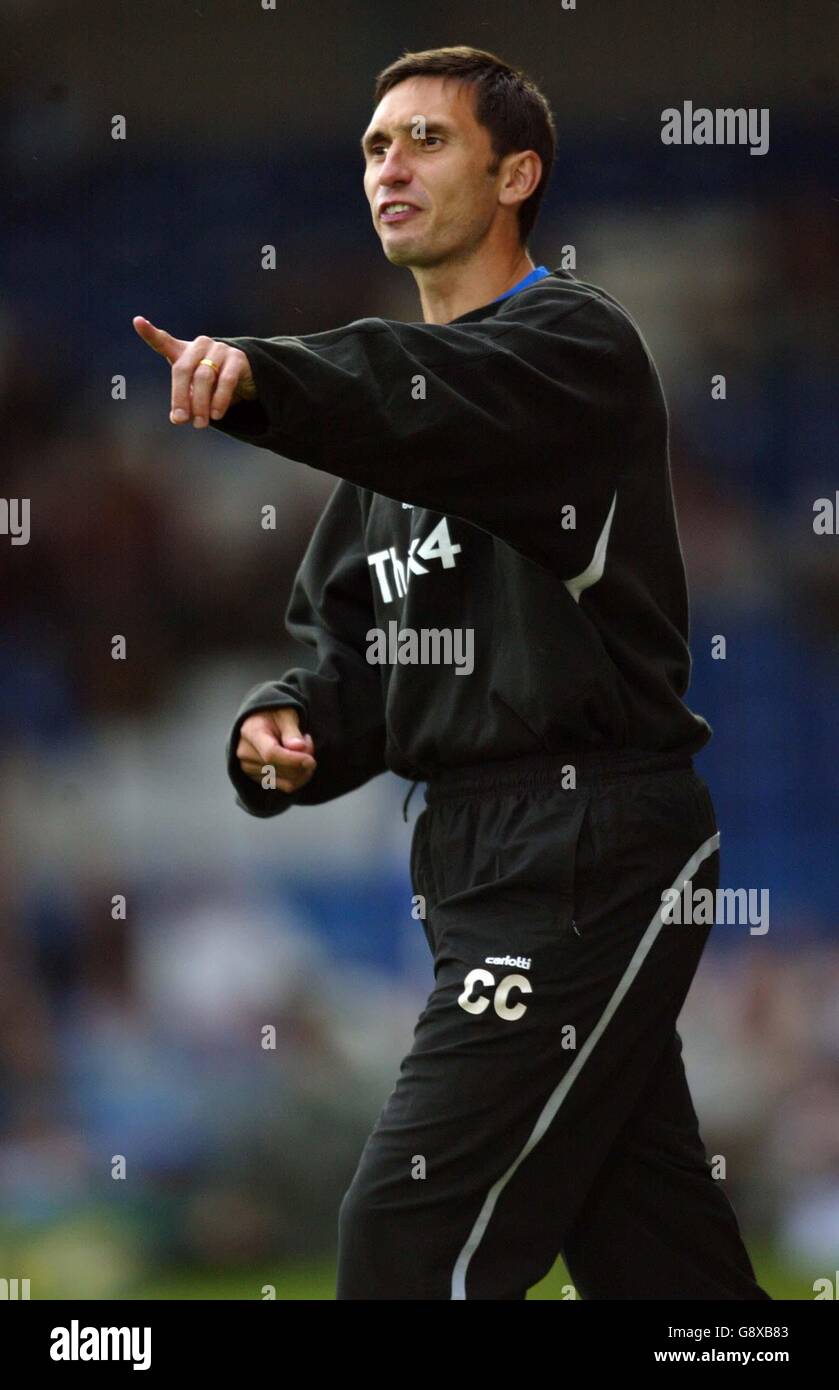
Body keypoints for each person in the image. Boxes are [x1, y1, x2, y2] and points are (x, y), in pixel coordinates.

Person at [133, 44, 771, 1301]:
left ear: (516, 172)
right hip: (471, 858)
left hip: (588, 835)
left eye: (424, 139)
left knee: (406, 1240)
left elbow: (424, 394)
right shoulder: (380, 467)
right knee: (661, 1272)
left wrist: (265, 375)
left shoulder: (569, 347)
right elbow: (346, 671)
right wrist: (281, 729)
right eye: (373, 145)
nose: (388, 165)